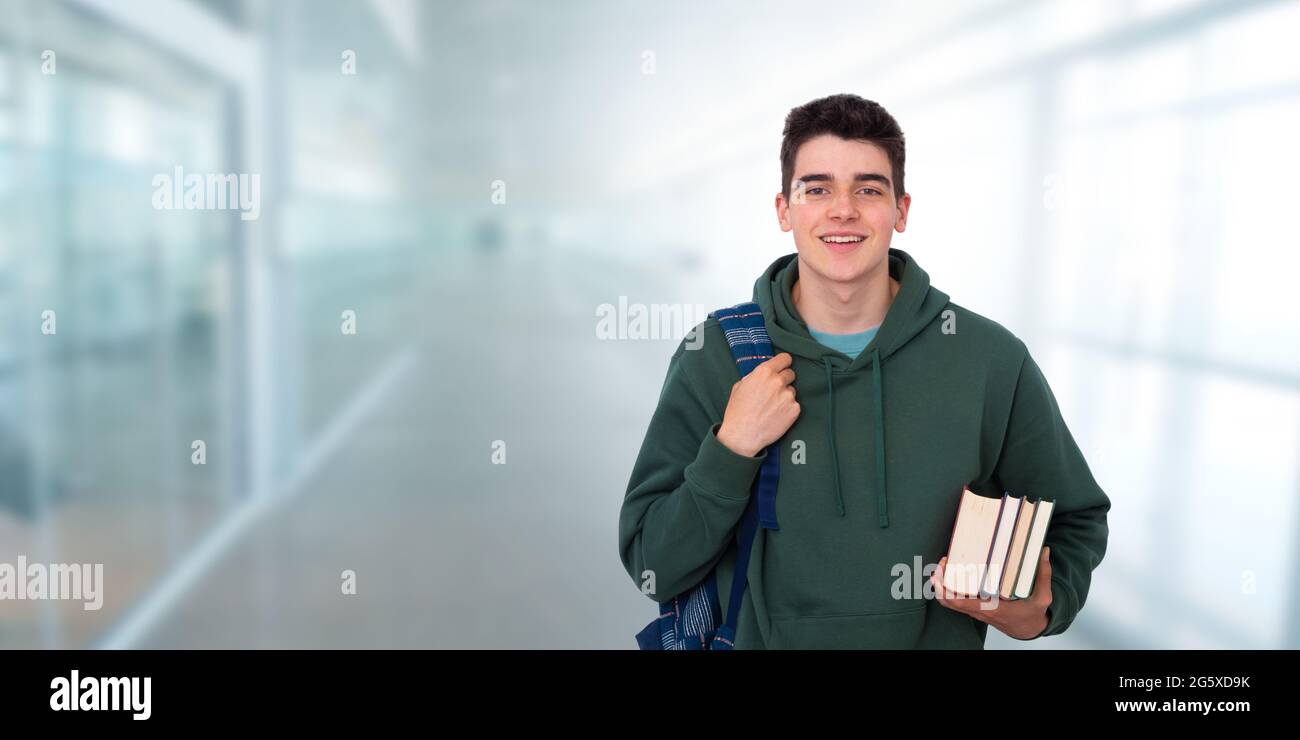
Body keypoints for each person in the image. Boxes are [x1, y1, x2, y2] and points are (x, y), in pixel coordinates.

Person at [618, 93, 1110, 649]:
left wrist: (1039, 612)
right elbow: (652, 561)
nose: (843, 209)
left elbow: (1074, 517)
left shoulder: (988, 359)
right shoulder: (716, 355)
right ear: (784, 210)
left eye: (869, 189)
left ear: (901, 210)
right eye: (817, 188)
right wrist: (731, 448)